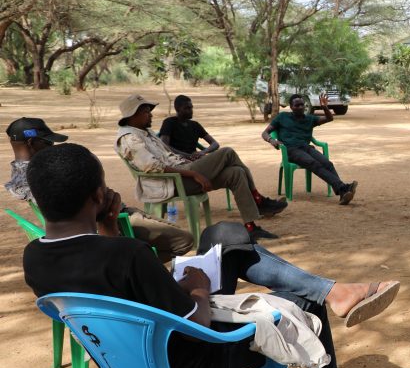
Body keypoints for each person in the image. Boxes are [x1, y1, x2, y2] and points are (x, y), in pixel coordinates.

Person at [22, 142, 399, 368]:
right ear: (98, 196)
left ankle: (335, 291)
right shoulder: (128, 256)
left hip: (132, 366)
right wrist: (199, 286)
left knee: (222, 236)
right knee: (301, 302)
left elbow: (106, 281)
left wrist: (107, 226)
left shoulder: (35, 258)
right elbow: (197, 323)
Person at [5, 117, 193, 262]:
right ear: (30, 142)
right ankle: (135, 269)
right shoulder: (41, 174)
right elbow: (77, 209)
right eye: (47, 142)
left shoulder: (22, 175)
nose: (52, 146)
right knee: (184, 240)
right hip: (112, 220)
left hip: (105, 217)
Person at [115, 94, 287, 240]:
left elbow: (168, 154)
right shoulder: (129, 138)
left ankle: (250, 228)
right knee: (227, 152)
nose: (150, 116)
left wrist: (189, 164)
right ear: (133, 115)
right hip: (172, 183)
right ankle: (258, 199)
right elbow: (152, 166)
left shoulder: (145, 132)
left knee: (236, 173)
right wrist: (193, 174)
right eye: (146, 112)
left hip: (184, 172)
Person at [262, 93, 357, 205]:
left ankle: (342, 193)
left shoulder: (309, 119)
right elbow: (265, 133)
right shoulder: (282, 117)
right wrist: (272, 140)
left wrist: (325, 107)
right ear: (291, 107)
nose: (300, 107)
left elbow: (329, 118)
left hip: (306, 148)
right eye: (297, 105)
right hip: (291, 150)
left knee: (327, 163)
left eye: (302, 104)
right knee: (312, 163)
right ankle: (343, 188)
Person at [158, 94, 220, 159]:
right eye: (187, 108)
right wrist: (188, 156)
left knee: (227, 154)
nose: (191, 111)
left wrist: (203, 152)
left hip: (196, 160)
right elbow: (164, 146)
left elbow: (215, 144)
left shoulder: (195, 125)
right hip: (178, 162)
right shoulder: (169, 122)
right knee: (227, 152)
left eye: (191, 108)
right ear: (177, 109)